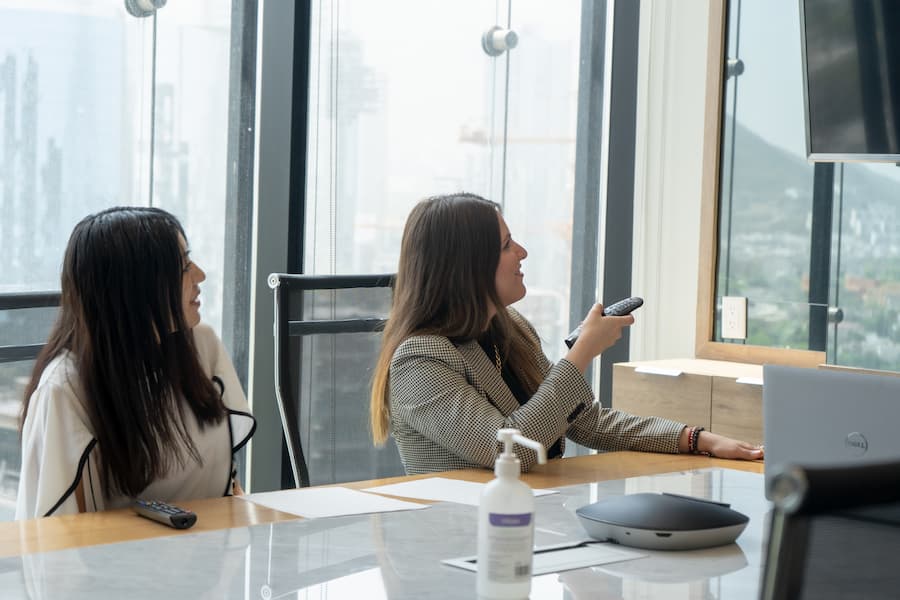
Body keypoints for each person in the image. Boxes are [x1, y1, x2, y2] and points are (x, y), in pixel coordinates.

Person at [370, 193, 764, 474]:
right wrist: (579, 358)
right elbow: (508, 450)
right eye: (507, 245)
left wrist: (698, 439)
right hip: (458, 540)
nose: (522, 252)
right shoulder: (419, 360)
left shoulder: (511, 331)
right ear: (468, 267)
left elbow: (586, 422)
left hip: (529, 516)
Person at [15, 207, 255, 519]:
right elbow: (61, 534)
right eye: (183, 267)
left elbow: (231, 486)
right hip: (125, 564)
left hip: (217, 555)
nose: (200, 275)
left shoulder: (202, 345)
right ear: (135, 287)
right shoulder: (65, 389)